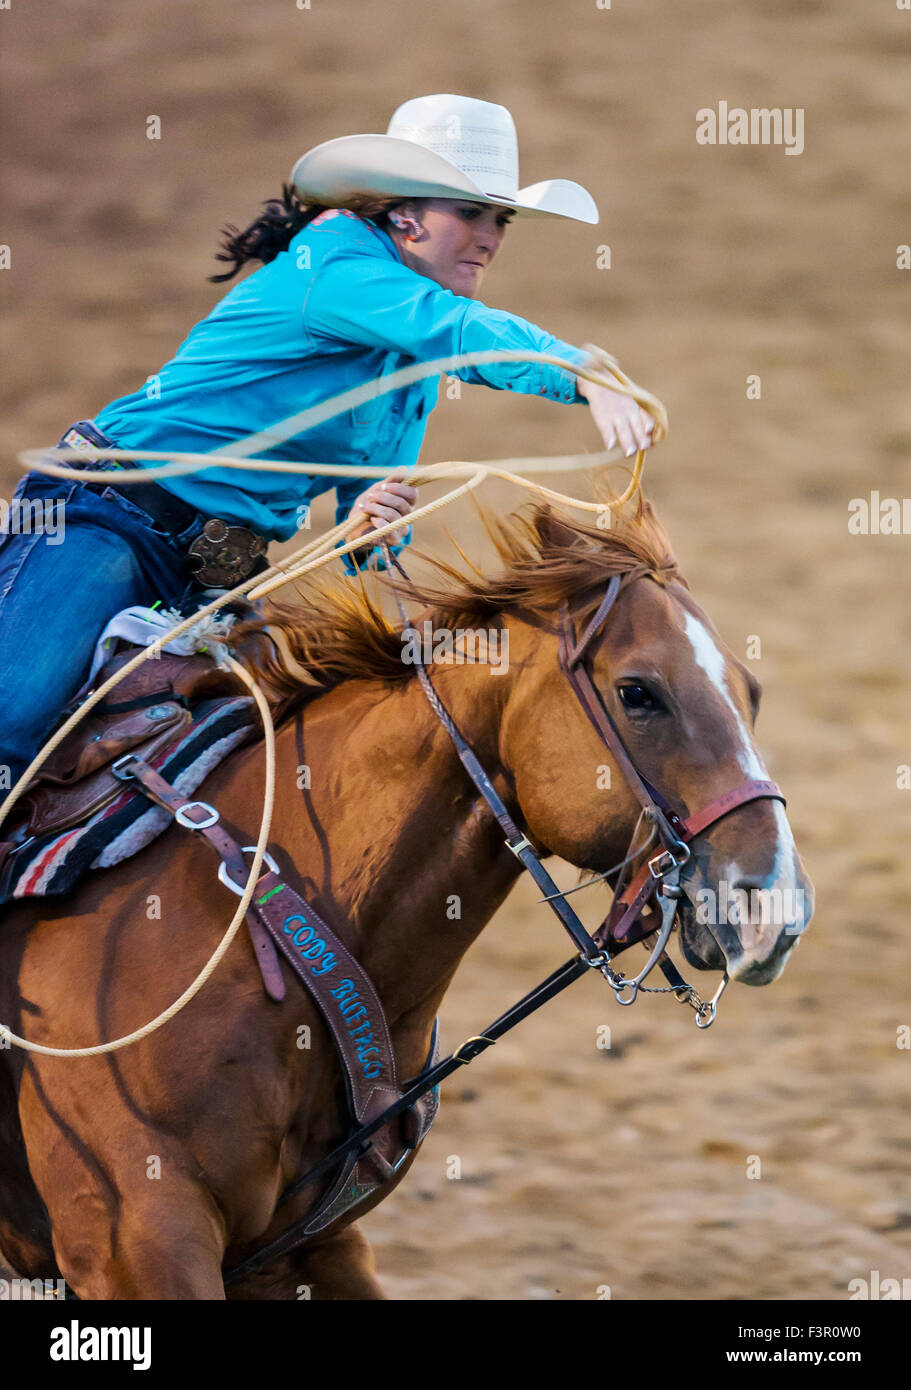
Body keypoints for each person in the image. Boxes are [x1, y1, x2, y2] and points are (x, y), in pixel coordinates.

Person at [0, 92, 655, 792]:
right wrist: (577, 373)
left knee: (256, 765)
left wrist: (370, 525)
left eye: (502, 217)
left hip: (213, 579)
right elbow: (459, 331)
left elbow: (365, 519)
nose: (491, 236)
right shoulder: (337, 266)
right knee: (13, 718)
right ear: (403, 214)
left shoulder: (403, 359)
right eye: (469, 212)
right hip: (111, 518)